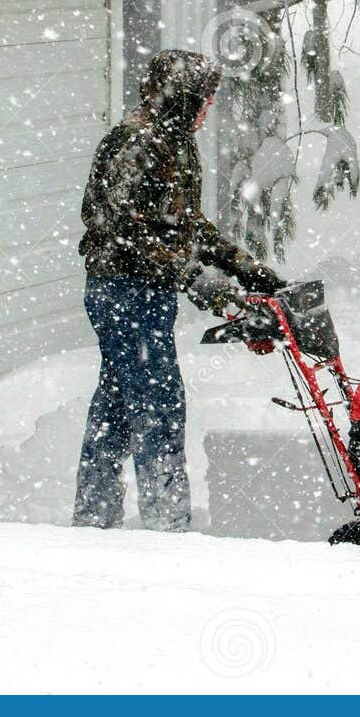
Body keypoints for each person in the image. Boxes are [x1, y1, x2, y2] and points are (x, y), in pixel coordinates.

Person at [72, 50, 283, 531]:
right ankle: (167, 527)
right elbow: (126, 230)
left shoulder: (176, 142)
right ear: (181, 98)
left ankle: (93, 517)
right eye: (203, 99)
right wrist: (195, 278)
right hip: (122, 291)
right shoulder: (136, 143)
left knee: (120, 406)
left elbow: (183, 224)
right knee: (158, 404)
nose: (209, 108)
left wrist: (244, 268)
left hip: (148, 292)